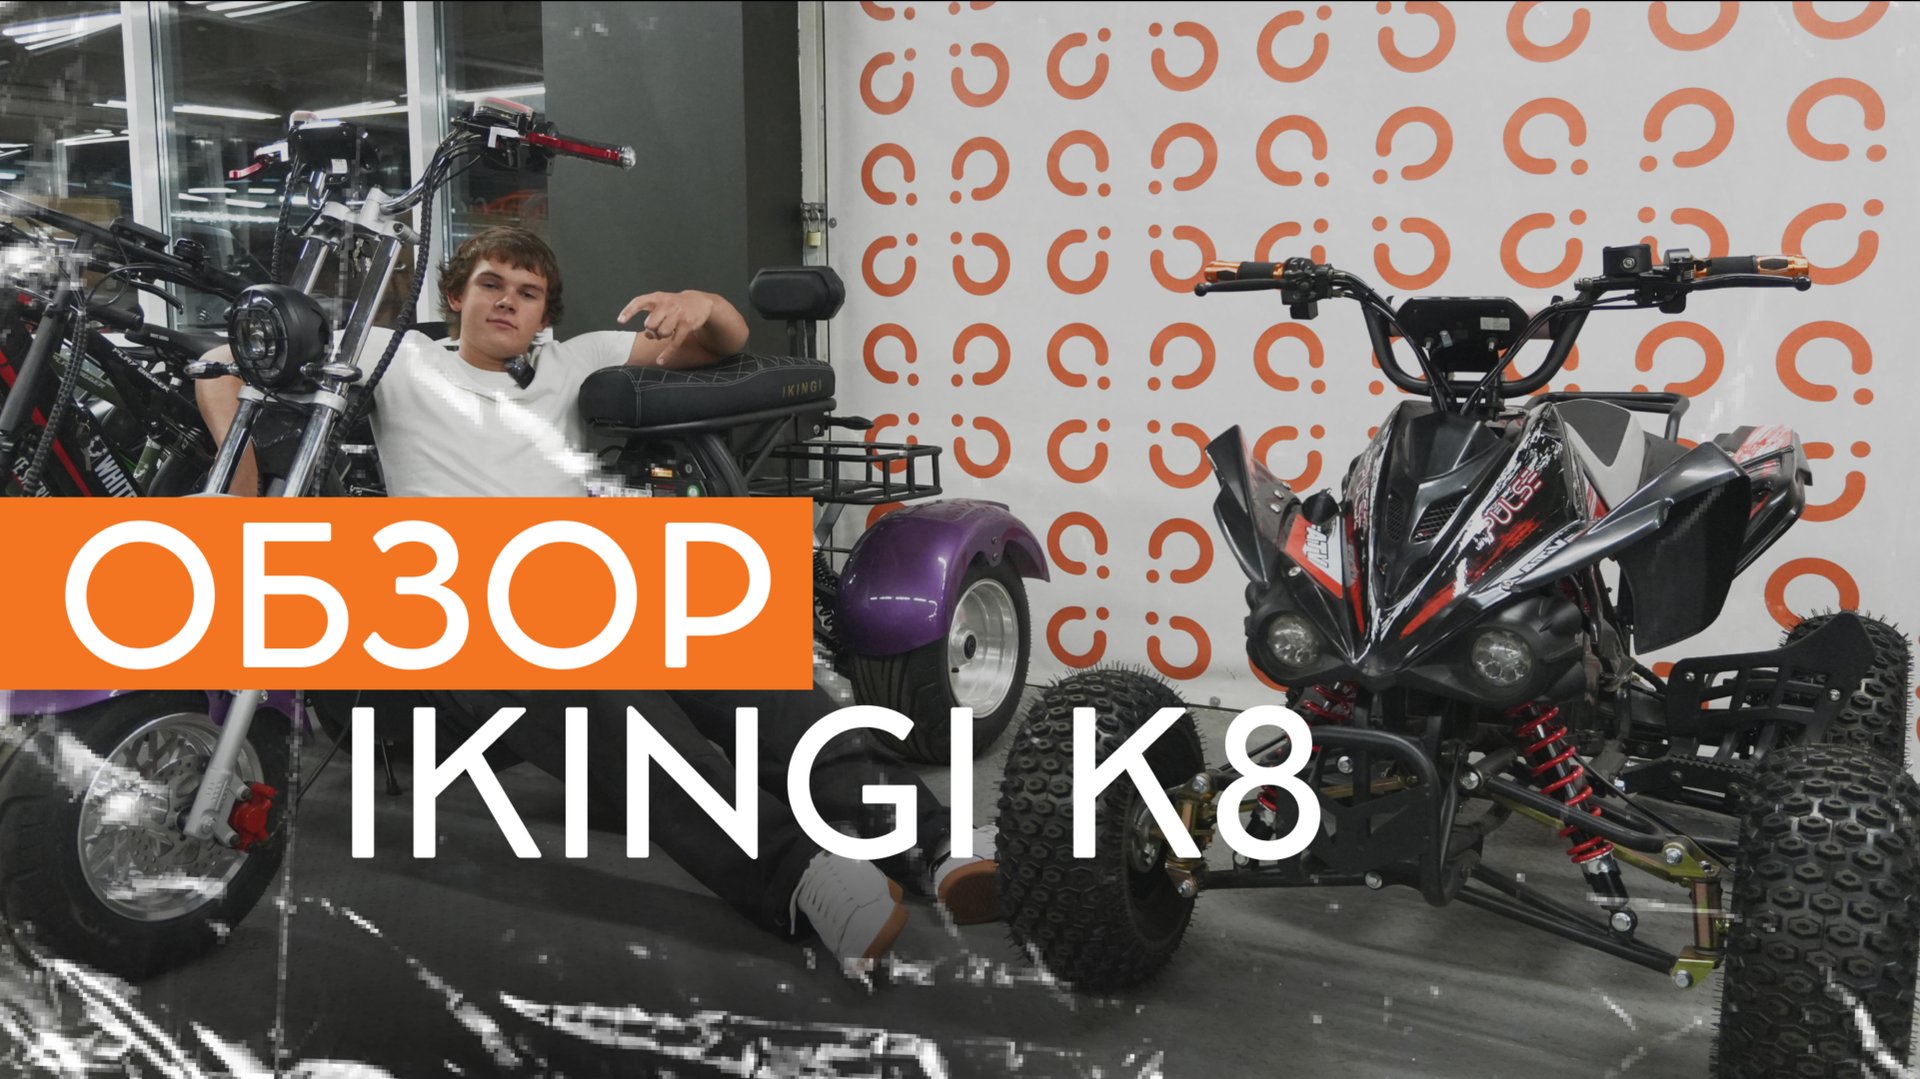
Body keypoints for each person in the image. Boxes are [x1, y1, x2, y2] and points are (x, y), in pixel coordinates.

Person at [195, 225, 998, 969]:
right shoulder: (395, 355)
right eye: (491, 283)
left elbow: (722, 342)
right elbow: (226, 363)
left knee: (762, 682)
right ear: (456, 295)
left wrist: (705, 305)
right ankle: (798, 875)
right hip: (459, 614)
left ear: (545, 314)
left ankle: (932, 842)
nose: (507, 301)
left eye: (527, 292)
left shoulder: (577, 362)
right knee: (631, 720)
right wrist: (246, 489)